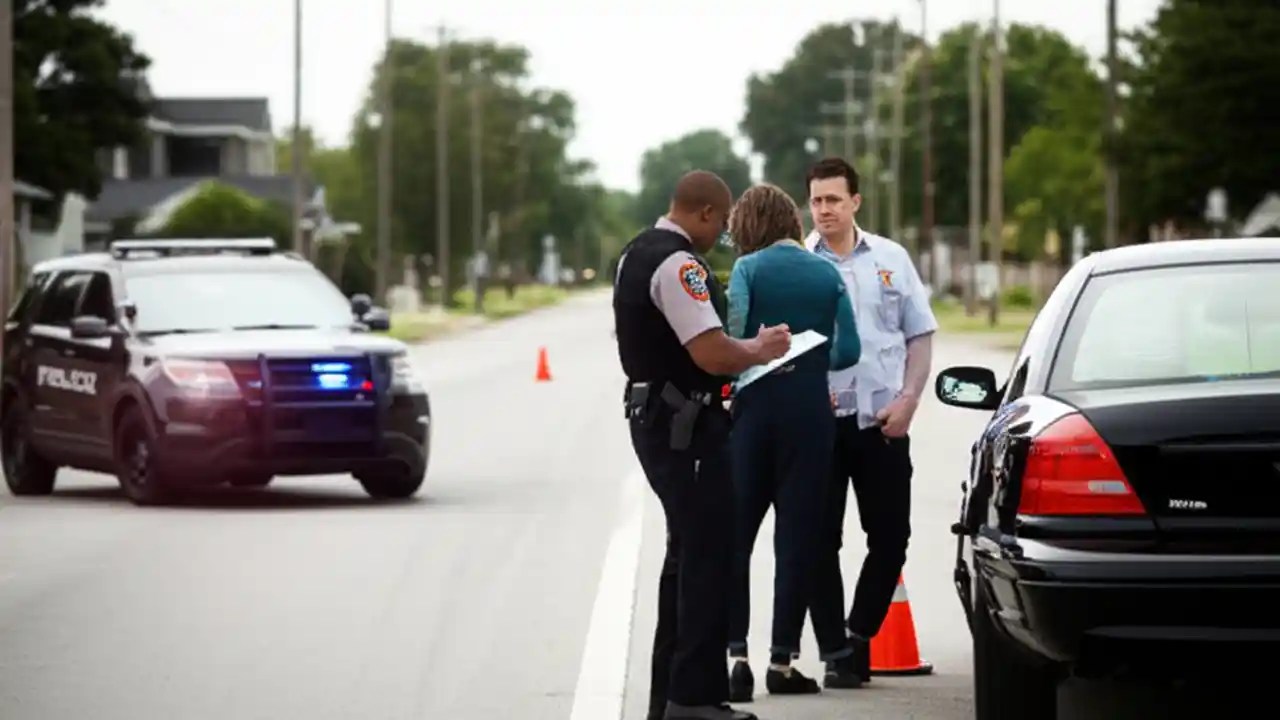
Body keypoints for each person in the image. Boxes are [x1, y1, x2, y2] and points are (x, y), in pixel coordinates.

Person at [614, 170, 792, 720]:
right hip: (684, 427)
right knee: (707, 557)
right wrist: (760, 349)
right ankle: (692, 698)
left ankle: (669, 697)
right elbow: (711, 353)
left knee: (686, 555)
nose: (720, 237)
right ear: (708, 213)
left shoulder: (634, 252)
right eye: (721, 224)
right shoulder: (679, 263)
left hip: (660, 419)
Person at [720, 184, 862, 703]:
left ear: (750, 225)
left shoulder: (748, 271)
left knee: (737, 536)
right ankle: (783, 660)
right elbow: (849, 350)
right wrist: (808, 362)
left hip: (755, 416)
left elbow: (736, 342)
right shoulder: (827, 273)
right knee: (798, 539)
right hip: (810, 415)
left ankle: (736, 656)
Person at [802, 157, 938, 688]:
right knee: (818, 542)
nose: (824, 210)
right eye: (816, 200)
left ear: (855, 202)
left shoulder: (890, 258)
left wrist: (908, 401)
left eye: (833, 199)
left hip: (881, 424)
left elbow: (919, 335)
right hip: (818, 426)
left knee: (890, 538)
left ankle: (860, 636)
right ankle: (835, 651)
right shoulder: (801, 265)